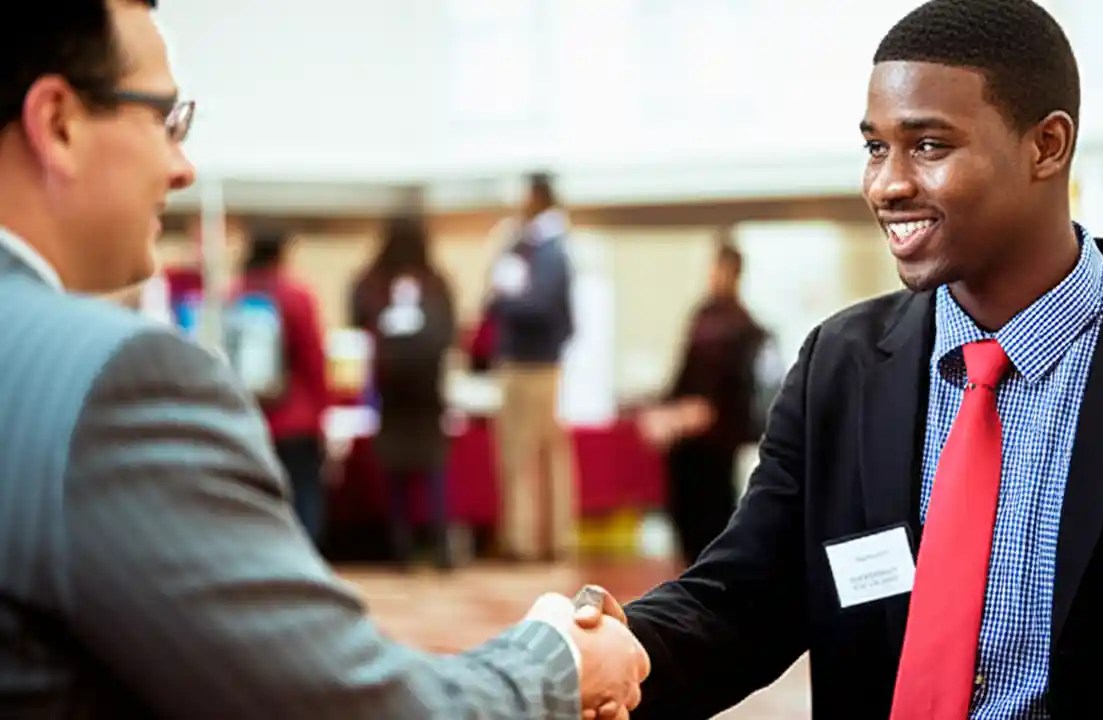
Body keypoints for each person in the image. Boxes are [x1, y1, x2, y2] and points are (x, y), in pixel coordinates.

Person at [582, 1, 1103, 717]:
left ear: (1046, 146)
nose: (887, 185)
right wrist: (613, 653)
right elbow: (746, 598)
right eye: (875, 148)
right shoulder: (840, 368)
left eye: (929, 146)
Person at [0, 2, 648, 717]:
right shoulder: (117, 382)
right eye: (166, 119)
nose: (182, 166)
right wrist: (555, 657)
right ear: (58, 122)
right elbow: (341, 702)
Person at [641, 242, 767, 566]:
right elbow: (683, 374)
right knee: (684, 512)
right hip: (688, 439)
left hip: (716, 439)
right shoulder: (703, 315)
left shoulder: (742, 325)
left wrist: (704, 413)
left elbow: (739, 389)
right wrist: (668, 410)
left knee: (713, 517)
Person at [351, 215, 457, 568]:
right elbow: (449, 332)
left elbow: (356, 319)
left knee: (396, 475)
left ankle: (401, 546)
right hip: (428, 393)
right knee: (433, 472)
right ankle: (440, 545)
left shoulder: (371, 283)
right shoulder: (437, 284)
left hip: (390, 390)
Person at [487, 172, 577, 562]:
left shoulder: (548, 249)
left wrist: (501, 302)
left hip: (534, 365)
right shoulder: (527, 243)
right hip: (531, 361)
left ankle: (531, 540)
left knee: (529, 453)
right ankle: (536, 537)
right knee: (530, 453)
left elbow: (538, 305)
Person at [229, 226, 331, 547]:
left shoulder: (233, 295)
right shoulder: (296, 296)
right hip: (297, 421)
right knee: (302, 502)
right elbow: (314, 361)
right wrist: (322, 413)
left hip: (246, 418)